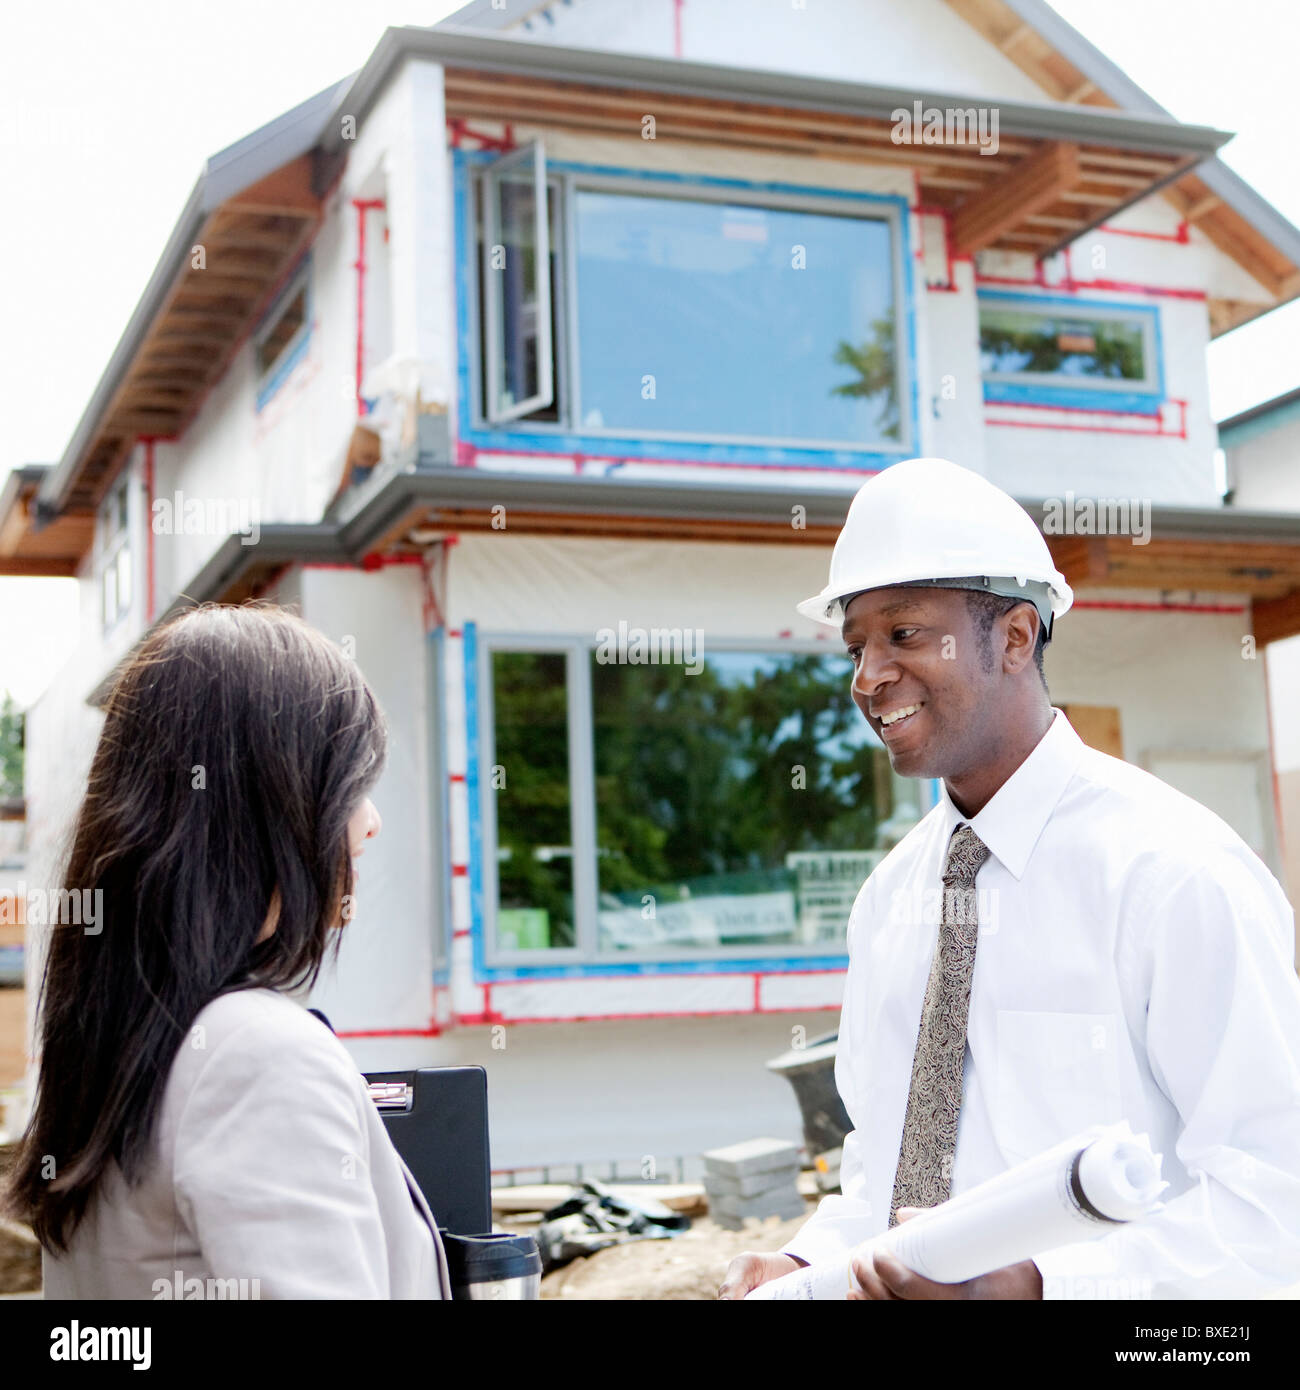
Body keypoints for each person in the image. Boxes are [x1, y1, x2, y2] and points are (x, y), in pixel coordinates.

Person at [720, 457, 1300, 1300]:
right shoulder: (892, 899)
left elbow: (1275, 1207)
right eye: (856, 645)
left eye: (905, 634)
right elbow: (882, 1172)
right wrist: (811, 1263)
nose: (868, 676)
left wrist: (1039, 1286)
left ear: (1017, 636)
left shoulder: (1173, 873)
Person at [4, 604, 450, 1299]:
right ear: (263, 806)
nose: (370, 823)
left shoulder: (119, 1045)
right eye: (348, 786)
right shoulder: (258, 1057)